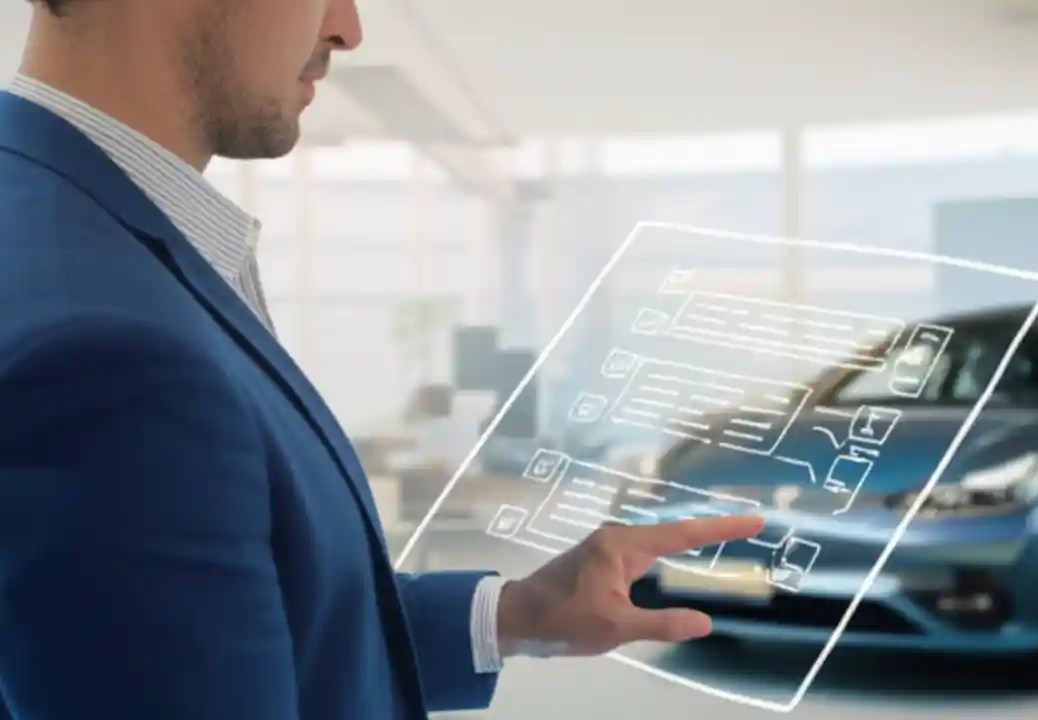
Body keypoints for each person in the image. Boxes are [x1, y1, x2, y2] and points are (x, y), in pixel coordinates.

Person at [0, 2, 764, 718]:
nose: (347, 28)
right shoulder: (112, 356)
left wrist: (513, 614)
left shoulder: (53, 221)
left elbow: (235, 630)